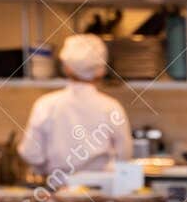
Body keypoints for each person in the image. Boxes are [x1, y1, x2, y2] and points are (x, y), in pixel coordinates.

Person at [18, 34, 132, 183]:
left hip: (59, 187)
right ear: (101, 70)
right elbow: (125, 155)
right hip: (103, 190)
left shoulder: (46, 104)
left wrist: (44, 170)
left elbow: (30, 152)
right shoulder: (111, 107)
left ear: (66, 68)